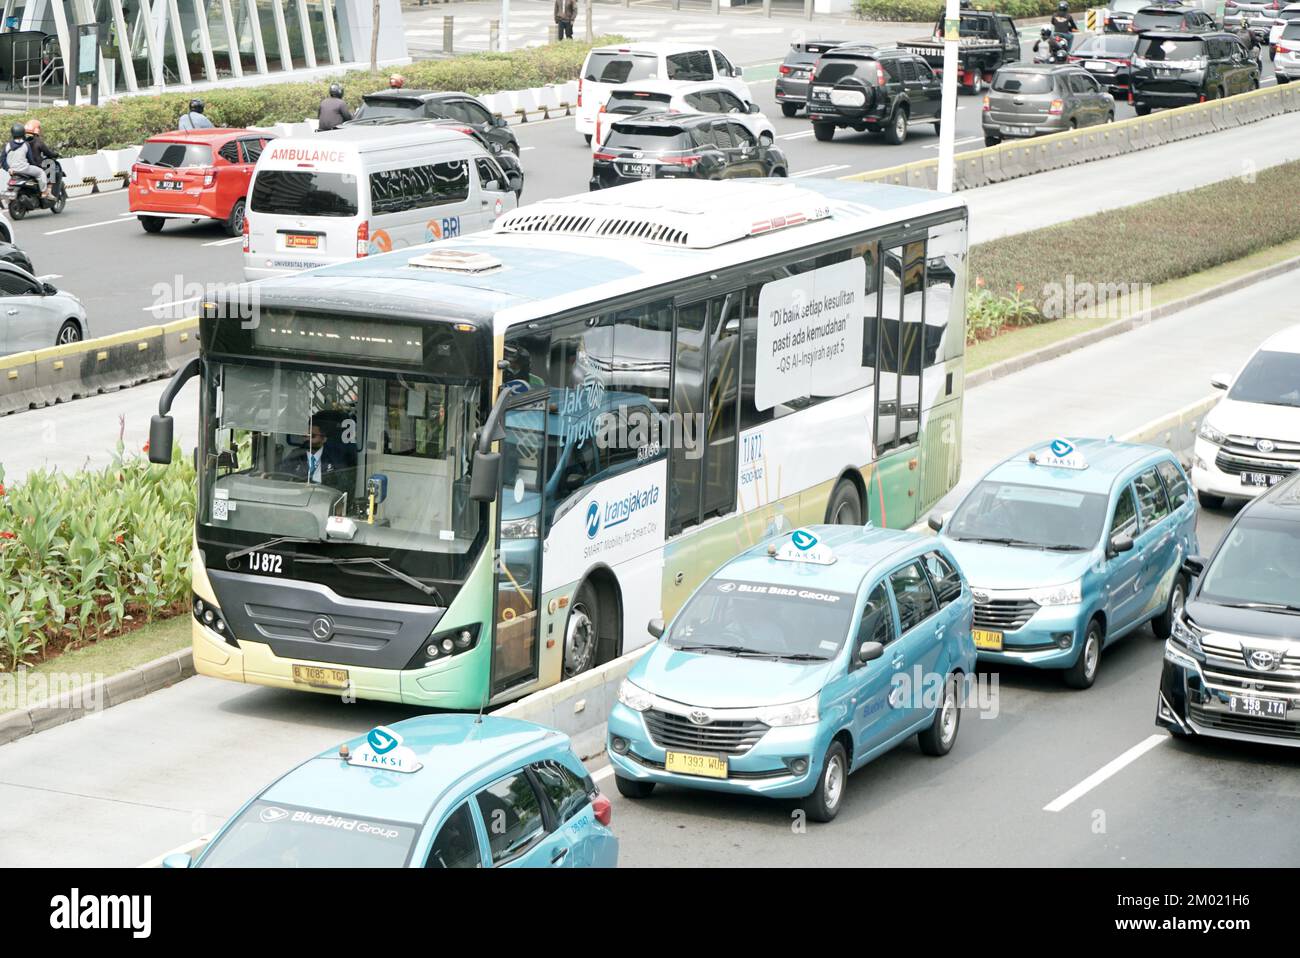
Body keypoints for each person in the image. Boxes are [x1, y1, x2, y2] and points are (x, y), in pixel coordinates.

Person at [280, 422, 348, 484]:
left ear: (324, 439)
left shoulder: (334, 456)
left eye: (312, 436)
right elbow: (281, 476)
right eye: (305, 436)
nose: (307, 439)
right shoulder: (295, 454)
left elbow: (343, 482)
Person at [1, 122, 49, 197]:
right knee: (41, 173)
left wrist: (8, 169)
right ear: (23, 133)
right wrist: (38, 166)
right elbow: (30, 160)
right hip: (24, 169)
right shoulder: (26, 144)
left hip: (13, 171)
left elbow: (2, 160)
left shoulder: (7, 145)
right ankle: (44, 192)